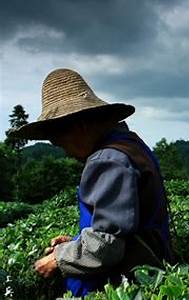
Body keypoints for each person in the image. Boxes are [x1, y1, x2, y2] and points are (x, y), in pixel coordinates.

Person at [8, 68, 173, 297]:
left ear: (80, 126)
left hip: (123, 286)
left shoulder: (106, 160)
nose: (65, 151)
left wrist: (58, 257)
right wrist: (73, 244)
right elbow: (122, 225)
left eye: (60, 141)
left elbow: (107, 247)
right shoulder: (132, 146)